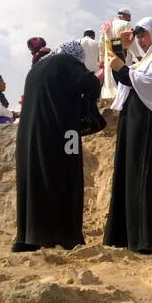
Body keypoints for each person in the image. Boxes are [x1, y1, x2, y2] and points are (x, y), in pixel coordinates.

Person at [14, 40, 103, 252]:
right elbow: (90, 85)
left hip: (30, 139)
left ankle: (29, 237)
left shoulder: (38, 68)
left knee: (34, 183)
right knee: (67, 177)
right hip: (64, 136)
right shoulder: (66, 62)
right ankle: (64, 236)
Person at [104, 16, 152, 254]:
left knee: (146, 178)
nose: (141, 40)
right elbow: (126, 75)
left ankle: (148, 238)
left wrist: (122, 67)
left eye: (144, 34)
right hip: (139, 125)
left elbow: (145, 83)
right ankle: (128, 234)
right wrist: (119, 46)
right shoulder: (149, 58)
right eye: (138, 36)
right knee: (132, 177)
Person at [100, 8, 132, 102]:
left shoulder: (106, 26)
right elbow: (132, 42)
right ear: (126, 16)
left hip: (109, 57)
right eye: (128, 18)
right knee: (124, 78)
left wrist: (102, 59)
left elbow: (101, 44)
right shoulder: (126, 24)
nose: (129, 20)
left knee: (110, 79)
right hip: (124, 56)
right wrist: (139, 56)